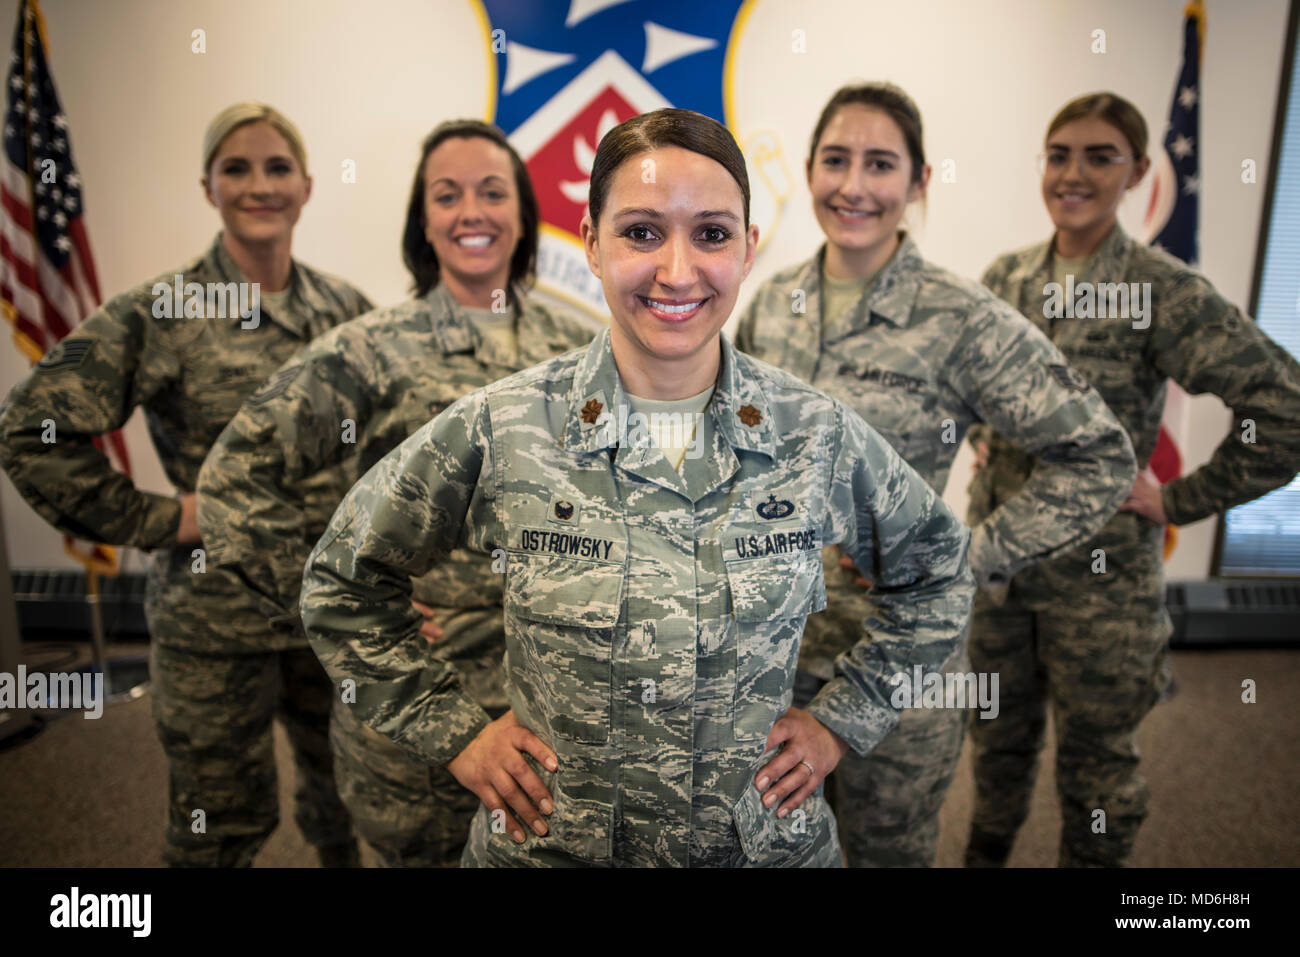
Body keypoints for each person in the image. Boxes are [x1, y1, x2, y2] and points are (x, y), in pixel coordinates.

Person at [299, 107, 975, 867]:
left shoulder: (812, 432)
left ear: (748, 249)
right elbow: (341, 578)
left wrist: (841, 720)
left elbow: (940, 573)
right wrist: (454, 732)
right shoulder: (506, 425)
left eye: (712, 234)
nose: (678, 271)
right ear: (590, 241)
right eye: (642, 232)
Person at [733, 82, 1136, 868]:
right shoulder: (770, 303)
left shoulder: (959, 316)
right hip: (771, 663)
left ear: (918, 184)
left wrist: (964, 555)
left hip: (895, 670)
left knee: (886, 853)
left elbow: (1099, 455)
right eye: (836, 160)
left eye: (881, 165)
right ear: (808, 170)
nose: (854, 186)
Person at [197, 119, 595, 867]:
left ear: (523, 213)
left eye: (491, 192)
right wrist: (335, 595)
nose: (470, 211)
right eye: (447, 195)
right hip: (419, 710)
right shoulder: (369, 348)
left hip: (547, 703)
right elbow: (234, 473)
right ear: (423, 220)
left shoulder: (578, 353)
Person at [0, 102, 372, 867]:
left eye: (277, 168)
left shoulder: (345, 311)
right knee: (218, 825)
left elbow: (388, 444)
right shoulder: (167, 310)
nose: (259, 185)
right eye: (236, 167)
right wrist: (163, 518)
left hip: (329, 610)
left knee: (349, 794)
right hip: (215, 620)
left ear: (306, 187)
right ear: (208, 187)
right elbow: (31, 430)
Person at [965, 91, 1300, 867]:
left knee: (1098, 773)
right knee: (995, 749)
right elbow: (972, 381)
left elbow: (1284, 409)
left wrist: (1177, 498)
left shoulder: (1158, 287)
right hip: (1003, 578)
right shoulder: (1007, 277)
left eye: (1099, 155)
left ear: (1140, 171)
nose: (1073, 173)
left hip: (1101, 585)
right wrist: (983, 433)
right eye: (1059, 154)